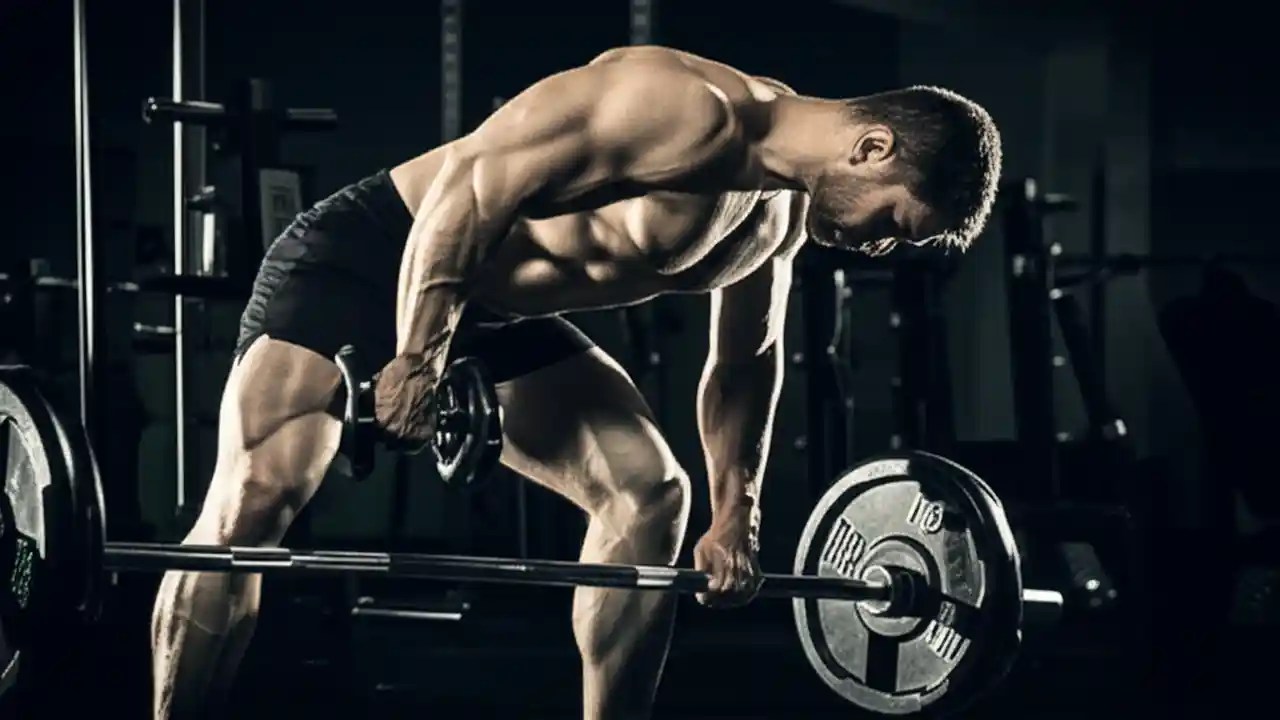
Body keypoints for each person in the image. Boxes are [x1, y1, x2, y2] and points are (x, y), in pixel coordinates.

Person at [149, 45, 1001, 719]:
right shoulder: (682, 107)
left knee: (651, 494)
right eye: (893, 221)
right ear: (872, 147)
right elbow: (469, 190)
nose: (880, 245)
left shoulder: (779, 214)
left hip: (495, 311)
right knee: (253, 501)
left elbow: (745, 362)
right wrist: (415, 356)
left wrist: (736, 511)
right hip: (374, 256)